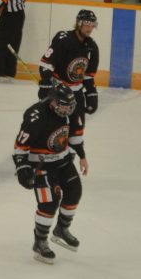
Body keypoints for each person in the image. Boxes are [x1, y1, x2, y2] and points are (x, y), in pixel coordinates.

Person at [13, 83, 87, 264]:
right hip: (41, 165)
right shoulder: (35, 116)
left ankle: (61, 229)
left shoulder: (72, 111)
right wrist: (23, 170)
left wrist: (82, 156)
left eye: (69, 106)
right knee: (49, 202)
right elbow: (20, 148)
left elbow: (74, 137)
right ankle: (40, 242)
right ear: (52, 102)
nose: (67, 110)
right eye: (63, 105)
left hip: (63, 161)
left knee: (74, 191)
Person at [37, 9, 100, 146]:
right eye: (87, 24)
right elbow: (45, 64)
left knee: (76, 130)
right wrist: (46, 84)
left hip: (76, 94)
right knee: (53, 127)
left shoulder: (92, 47)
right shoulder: (63, 39)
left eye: (92, 25)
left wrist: (91, 94)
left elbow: (88, 76)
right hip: (59, 90)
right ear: (79, 23)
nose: (89, 28)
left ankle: (67, 161)